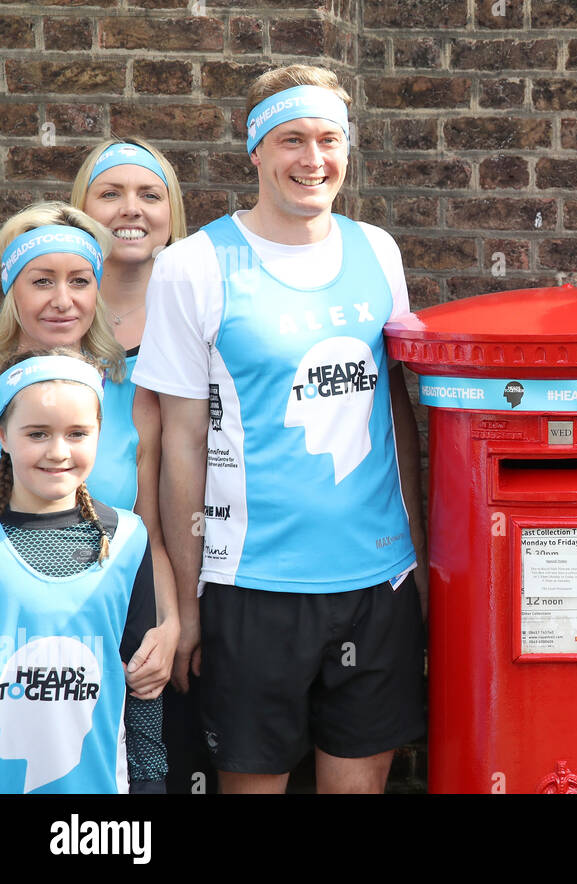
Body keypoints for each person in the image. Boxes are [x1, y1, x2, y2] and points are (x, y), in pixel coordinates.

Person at [133, 64, 427, 794]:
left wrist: (420, 564)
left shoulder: (377, 251)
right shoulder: (193, 267)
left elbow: (396, 412)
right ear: (255, 150)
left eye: (329, 139)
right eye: (291, 138)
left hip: (376, 580)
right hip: (250, 588)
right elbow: (179, 446)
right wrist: (192, 603)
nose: (313, 159)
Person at [71, 139, 186, 793]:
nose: (129, 209)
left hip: (147, 577)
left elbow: (150, 514)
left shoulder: (198, 315)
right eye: (109, 193)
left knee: (145, 764)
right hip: (47, 583)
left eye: (149, 193)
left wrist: (172, 623)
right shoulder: (50, 328)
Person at [0, 345, 157, 793]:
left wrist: (150, 782)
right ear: (3, 435)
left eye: (76, 433)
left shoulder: (127, 539)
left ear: (99, 434)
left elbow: (141, 680)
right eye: (36, 434)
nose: (57, 451)